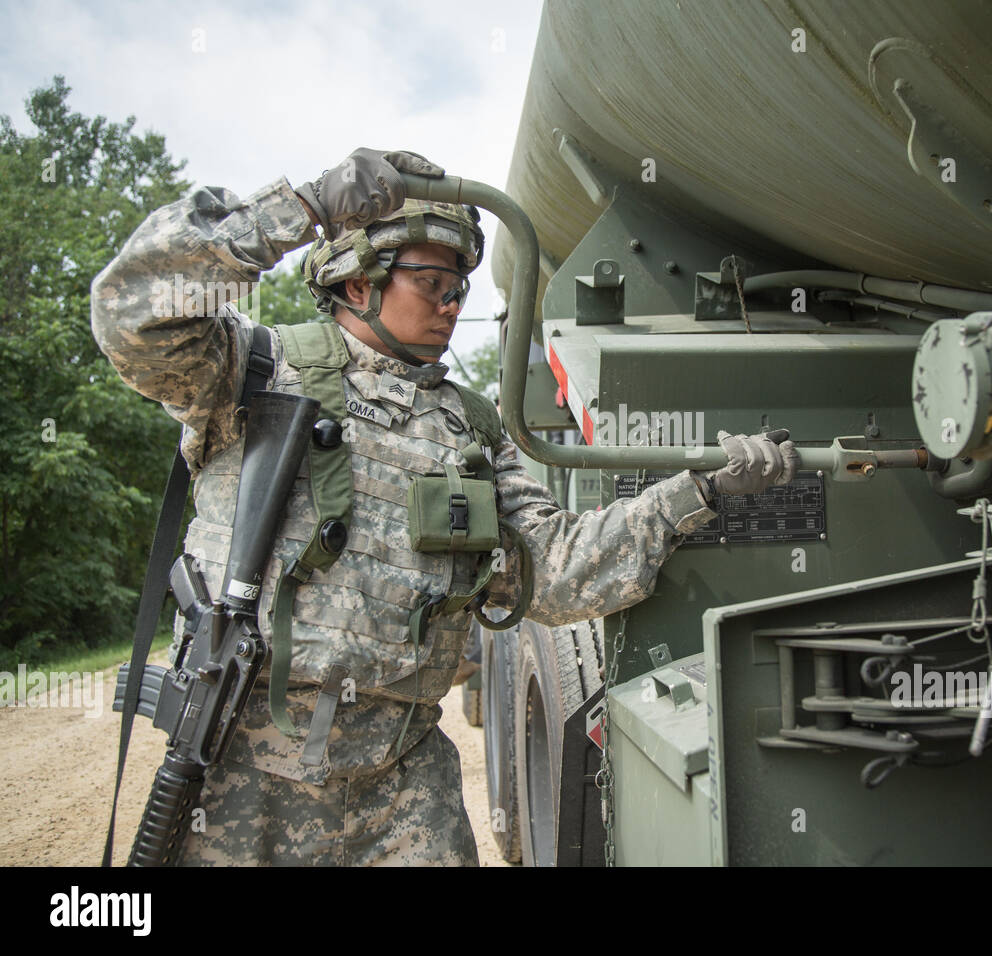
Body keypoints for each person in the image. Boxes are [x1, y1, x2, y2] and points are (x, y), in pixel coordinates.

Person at [91, 148, 799, 866]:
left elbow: (555, 573)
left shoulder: (472, 427)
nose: (453, 304)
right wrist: (302, 208)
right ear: (357, 280)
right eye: (430, 283)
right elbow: (131, 311)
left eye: (459, 287)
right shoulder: (255, 371)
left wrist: (697, 491)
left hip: (404, 787)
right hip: (249, 774)